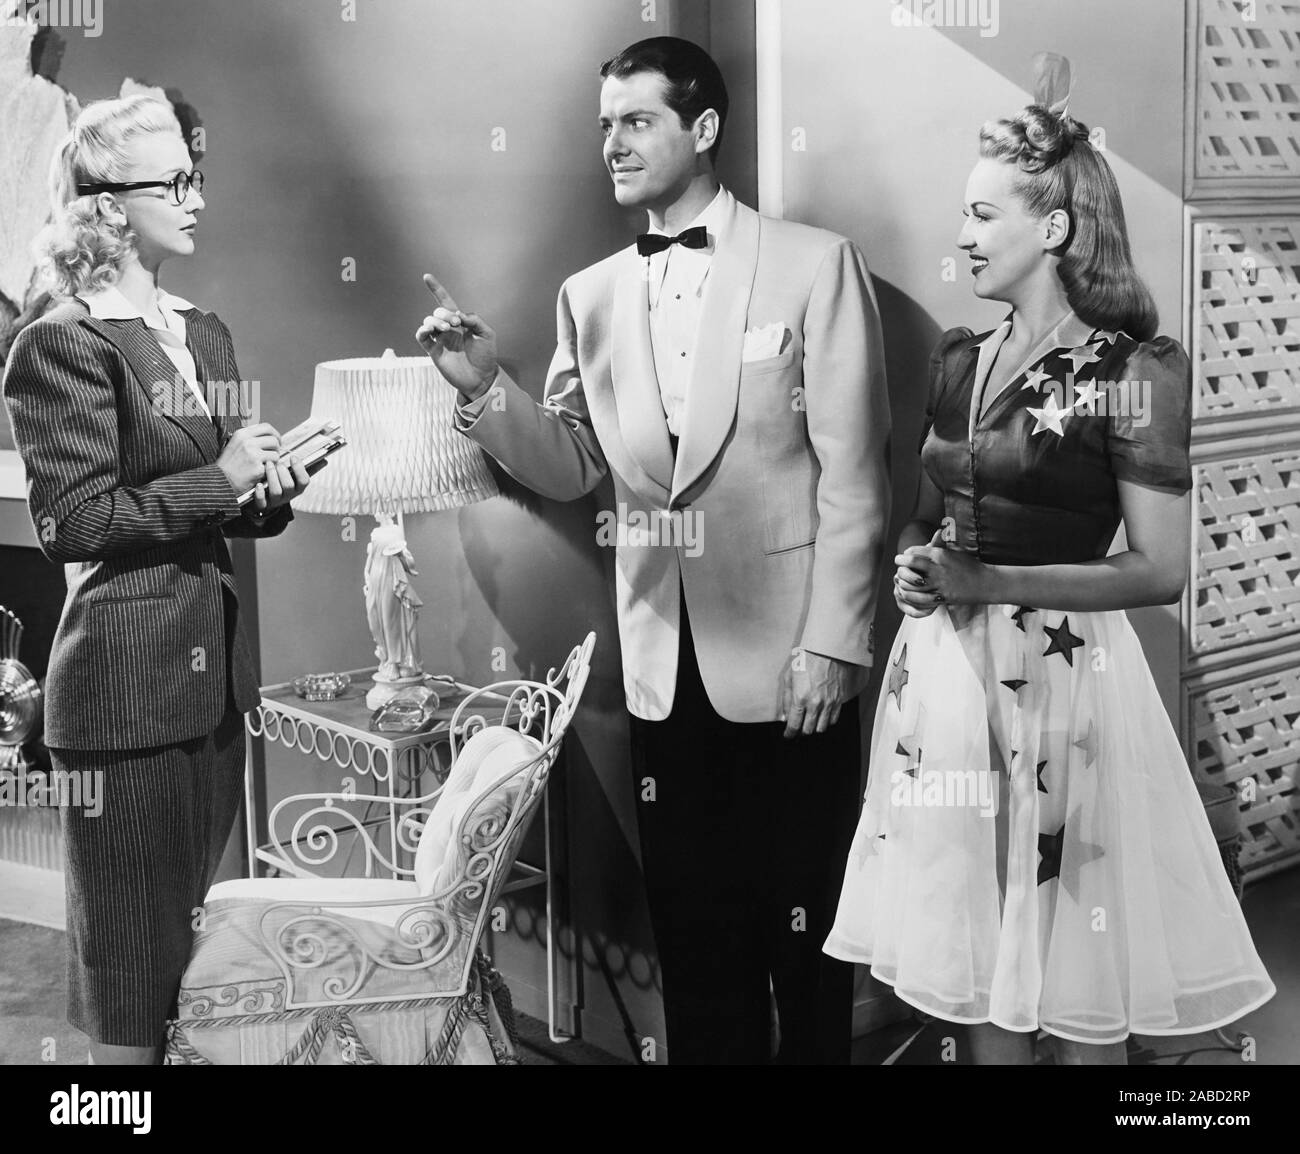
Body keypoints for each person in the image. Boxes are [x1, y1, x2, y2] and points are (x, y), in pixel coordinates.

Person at [415, 37, 891, 1063]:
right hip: (661, 672)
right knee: (696, 945)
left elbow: (856, 477)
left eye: (636, 121)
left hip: (791, 667)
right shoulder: (588, 296)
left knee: (806, 946)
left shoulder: (816, 265)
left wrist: (834, 644)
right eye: (604, 126)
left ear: (703, 128)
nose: (612, 144)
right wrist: (479, 390)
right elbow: (574, 461)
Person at [824, 105, 1275, 1064]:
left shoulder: (1133, 374)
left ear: (1055, 229)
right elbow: (920, 509)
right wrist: (917, 565)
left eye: (983, 216)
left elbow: (1161, 569)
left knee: (1070, 946)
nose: (962, 237)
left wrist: (987, 577)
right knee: (982, 948)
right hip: (943, 675)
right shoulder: (959, 357)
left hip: (1062, 678)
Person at [2, 95, 312, 1064]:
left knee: (184, 960)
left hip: (209, 688)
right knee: (130, 981)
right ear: (104, 203)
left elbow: (218, 503)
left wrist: (269, 485)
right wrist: (217, 479)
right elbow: (76, 523)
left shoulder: (201, 332)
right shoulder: (64, 341)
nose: (196, 199)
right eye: (173, 182)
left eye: (195, 176)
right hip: (124, 697)